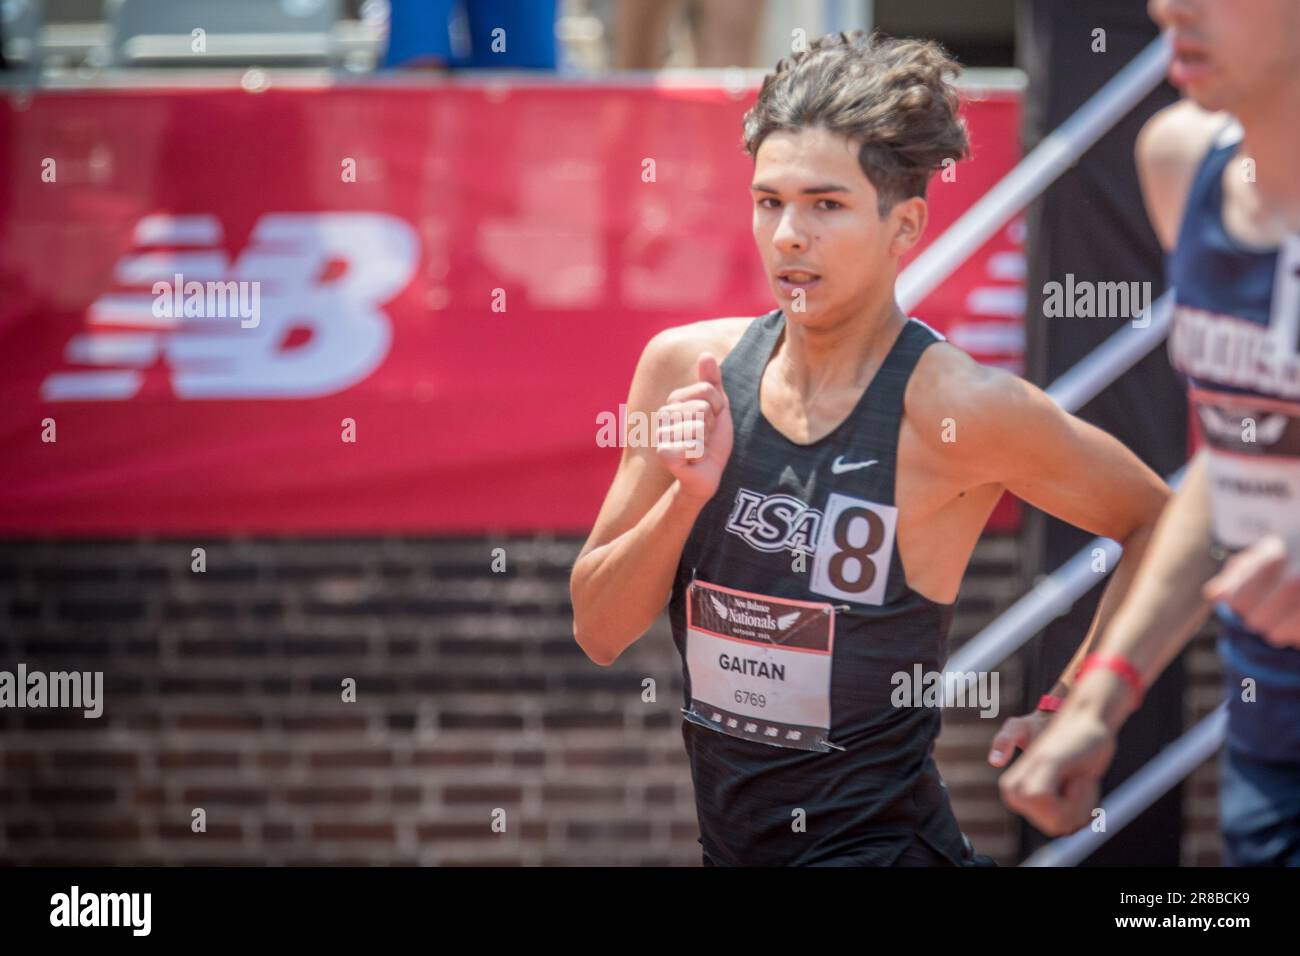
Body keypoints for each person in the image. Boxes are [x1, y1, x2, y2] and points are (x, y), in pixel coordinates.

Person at [570, 30, 1170, 867]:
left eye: (826, 204)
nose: (787, 235)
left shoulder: (958, 406)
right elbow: (598, 629)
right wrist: (686, 497)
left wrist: (1082, 703)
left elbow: (1162, 523)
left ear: (906, 223)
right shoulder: (687, 368)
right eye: (768, 201)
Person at [999, 0, 1300, 866]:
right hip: (1269, 744)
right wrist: (1101, 696)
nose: (1173, 7)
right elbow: (1231, 456)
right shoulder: (1178, 162)